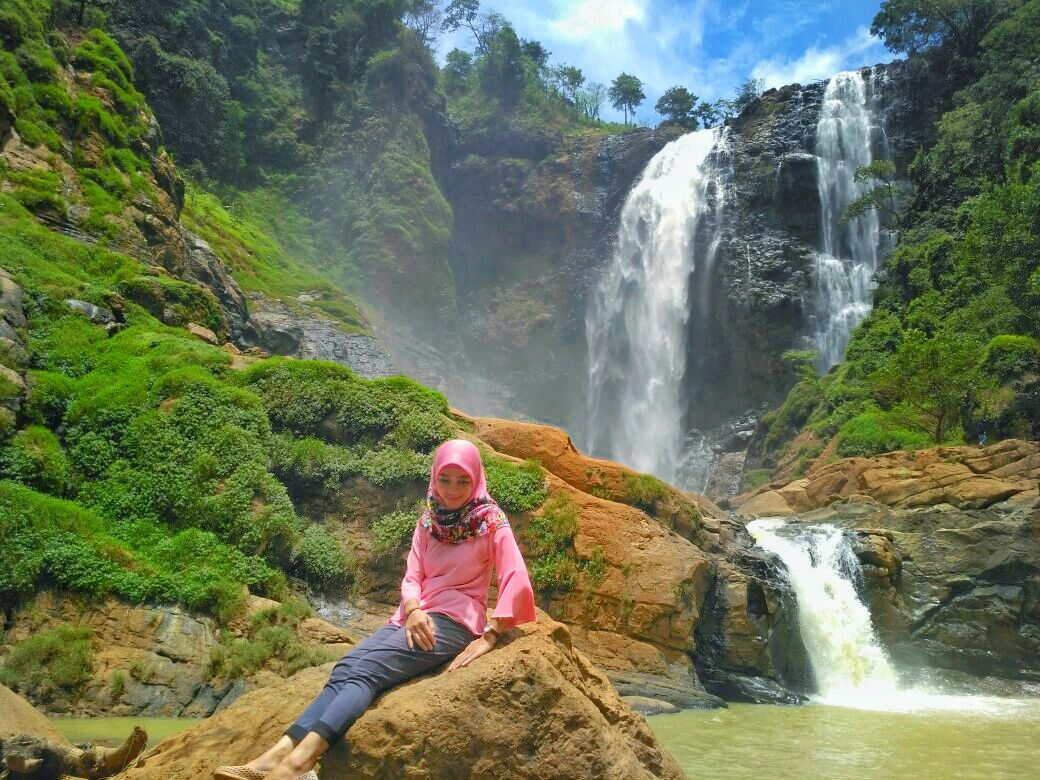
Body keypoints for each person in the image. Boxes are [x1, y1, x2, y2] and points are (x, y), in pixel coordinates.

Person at [213, 439, 537, 780]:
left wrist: (491, 634)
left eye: (463, 481)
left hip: (454, 621)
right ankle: (276, 754)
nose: (453, 489)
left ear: (476, 481)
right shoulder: (429, 522)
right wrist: (412, 609)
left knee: (367, 670)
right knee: (346, 666)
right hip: (415, 616)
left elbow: (516, 575)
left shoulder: (490, 520)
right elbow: (413, 575)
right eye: (445, 479)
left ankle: (299, 765)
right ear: (433, 479)